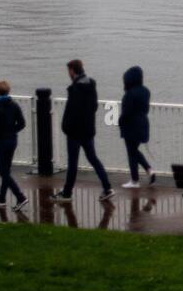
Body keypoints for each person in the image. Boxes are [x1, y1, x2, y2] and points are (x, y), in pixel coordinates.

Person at [59, 59, 112, 201]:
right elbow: (94, 107)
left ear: (72, 71)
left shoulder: (75, 88)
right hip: (88, 130)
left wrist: (65, 127)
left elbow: (71, 111)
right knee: (93, 159)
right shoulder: (91, 85)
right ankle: (107, 187)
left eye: (68, 71)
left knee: (73, 163)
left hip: (74, 132)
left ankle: (67, 192)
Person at [0, 80, 28, 211]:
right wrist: (12, 131)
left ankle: (20, 197)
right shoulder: (15, 105)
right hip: (12, 140)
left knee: (3, 172)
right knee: (6, 170)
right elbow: (22, 123)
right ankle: (1, 198)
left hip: (1, 142)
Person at [118, 65, 154, 188]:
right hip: (143, 124)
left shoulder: (129, 94)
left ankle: (135, 180)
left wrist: (120, 122)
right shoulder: (146, 91)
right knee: (134, 151)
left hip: (131, 127)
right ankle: (149, 170)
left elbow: (126, 113)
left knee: (131, 153)